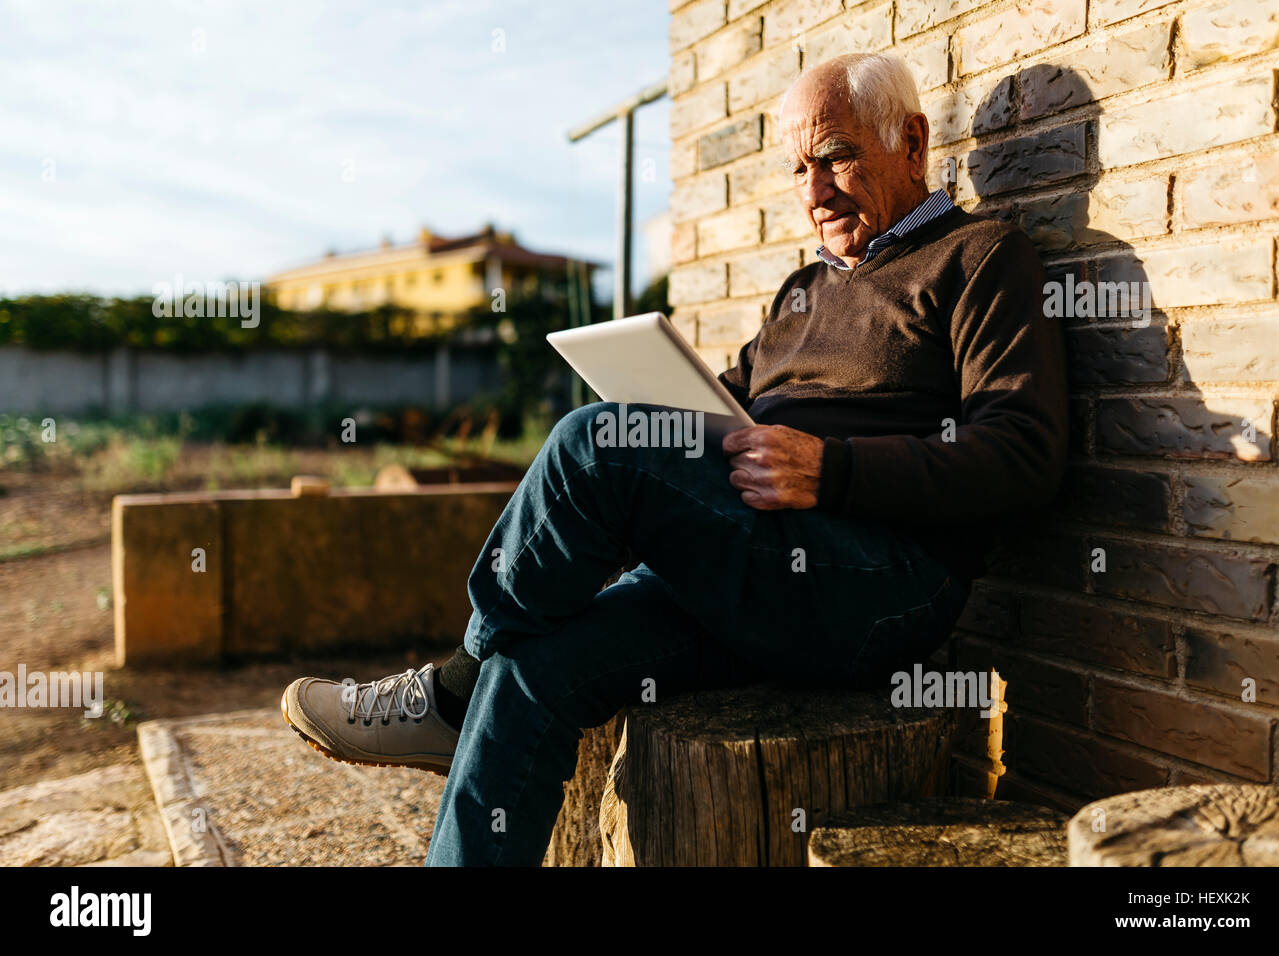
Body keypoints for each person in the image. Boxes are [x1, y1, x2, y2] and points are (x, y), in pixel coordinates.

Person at [281, 51, 1069, 866]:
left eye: (834, 157)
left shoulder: (981, 257)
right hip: (750, 567)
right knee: (532, 664)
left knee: (596, 442)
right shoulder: (804, 289)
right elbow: (728, 402)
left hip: (877, 584)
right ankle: (476, 695)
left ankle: (449, 690)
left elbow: (1023, 453)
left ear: (910, 142)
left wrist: (831, 469)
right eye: (798, 168)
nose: (812, 189)